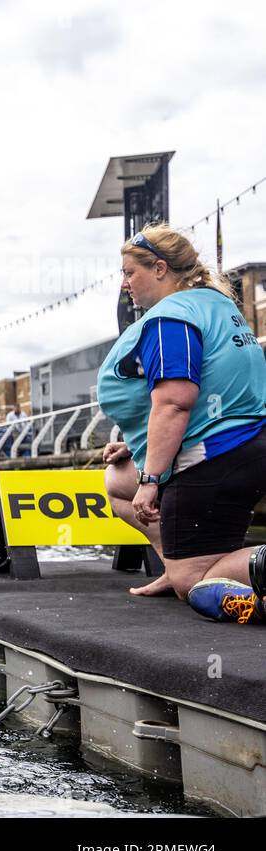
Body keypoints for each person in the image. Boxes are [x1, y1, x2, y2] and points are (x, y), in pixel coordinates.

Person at [97, 224, 266, 615]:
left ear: (159, 269)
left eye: (129, 272)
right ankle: (179, 563)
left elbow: (174, 402)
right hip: (248, 448)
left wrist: (152, 479)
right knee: (118, 481)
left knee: (196, 584)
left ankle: (188, 571)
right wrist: (140, 444)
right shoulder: (218, 305)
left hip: (215, 457)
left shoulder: (170, 318)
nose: (124, 284)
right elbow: (214, 386)